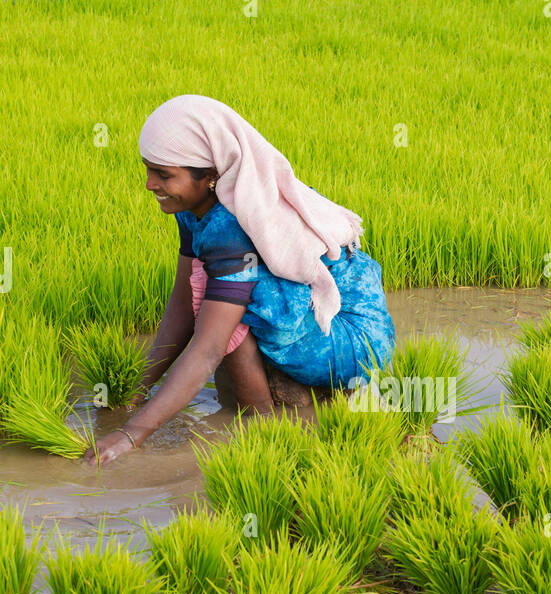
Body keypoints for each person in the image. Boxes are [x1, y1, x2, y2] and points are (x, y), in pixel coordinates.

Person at [83, 94, 396, 466]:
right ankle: (259, 406)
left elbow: (208, 348)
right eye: (148, 169)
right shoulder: (195, 205)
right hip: (313, 311)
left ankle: (263, 420)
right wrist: (136, 389)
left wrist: (130, 435)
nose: (151, 184)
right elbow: (181, 304)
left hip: (350, 336)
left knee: (215, 295)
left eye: (164, 175)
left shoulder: (232, 227)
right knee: (209, 288)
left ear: (210, 175)